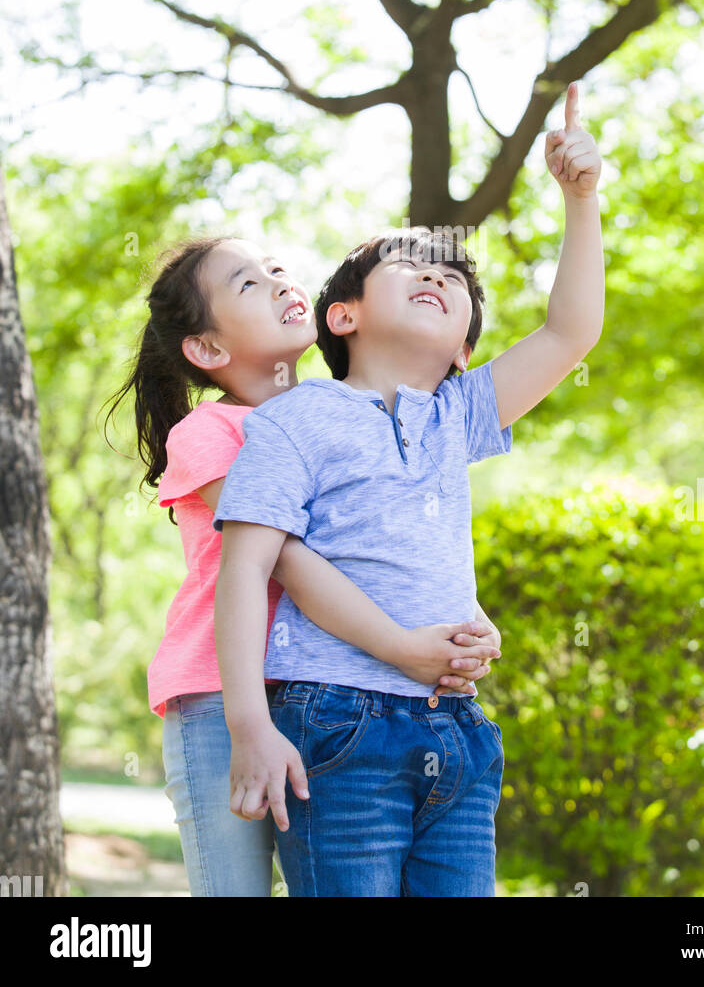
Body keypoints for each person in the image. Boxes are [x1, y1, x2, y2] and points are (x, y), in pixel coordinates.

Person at [213, 80, 604, 896]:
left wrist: (580, 201)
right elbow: (247, 570)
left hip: (455, 723)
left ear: (464, 347)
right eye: (407, 265)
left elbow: (572, 331)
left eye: (454, 281)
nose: (435, 276)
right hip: (335, 722)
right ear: (342, 317)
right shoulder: (295, 419)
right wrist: (250, 724)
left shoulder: (460, 414)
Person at [105, 236, 503, 896]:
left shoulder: (330, 415)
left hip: (317, 690)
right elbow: (289, 559)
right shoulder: (212, 433)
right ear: (208, 350)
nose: (280, 283)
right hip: (219, 695)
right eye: (249, 284)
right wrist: (403, 647)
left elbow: (383, 550)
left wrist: (467, 617)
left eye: (280, 270)